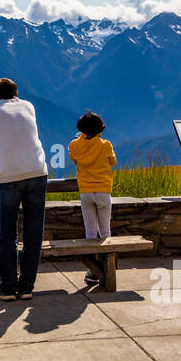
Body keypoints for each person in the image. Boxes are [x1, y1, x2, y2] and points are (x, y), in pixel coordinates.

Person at [0, 77, 48, 300]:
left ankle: (8, 287)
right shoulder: (29, 106)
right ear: (16, 93)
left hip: (8, 176)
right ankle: (27, 287)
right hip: (38, 172)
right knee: (33, 234)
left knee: (7, 234)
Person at [68, 110, 116, 285]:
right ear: (99, 129)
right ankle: (107, 267)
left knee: (90, 232)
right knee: (105, 232)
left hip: (86, 192)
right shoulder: (106, 145)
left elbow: (73, 156)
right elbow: (113, 161)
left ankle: (92, 271)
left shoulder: (75, 145)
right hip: (103, 191)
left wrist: (80, 139)